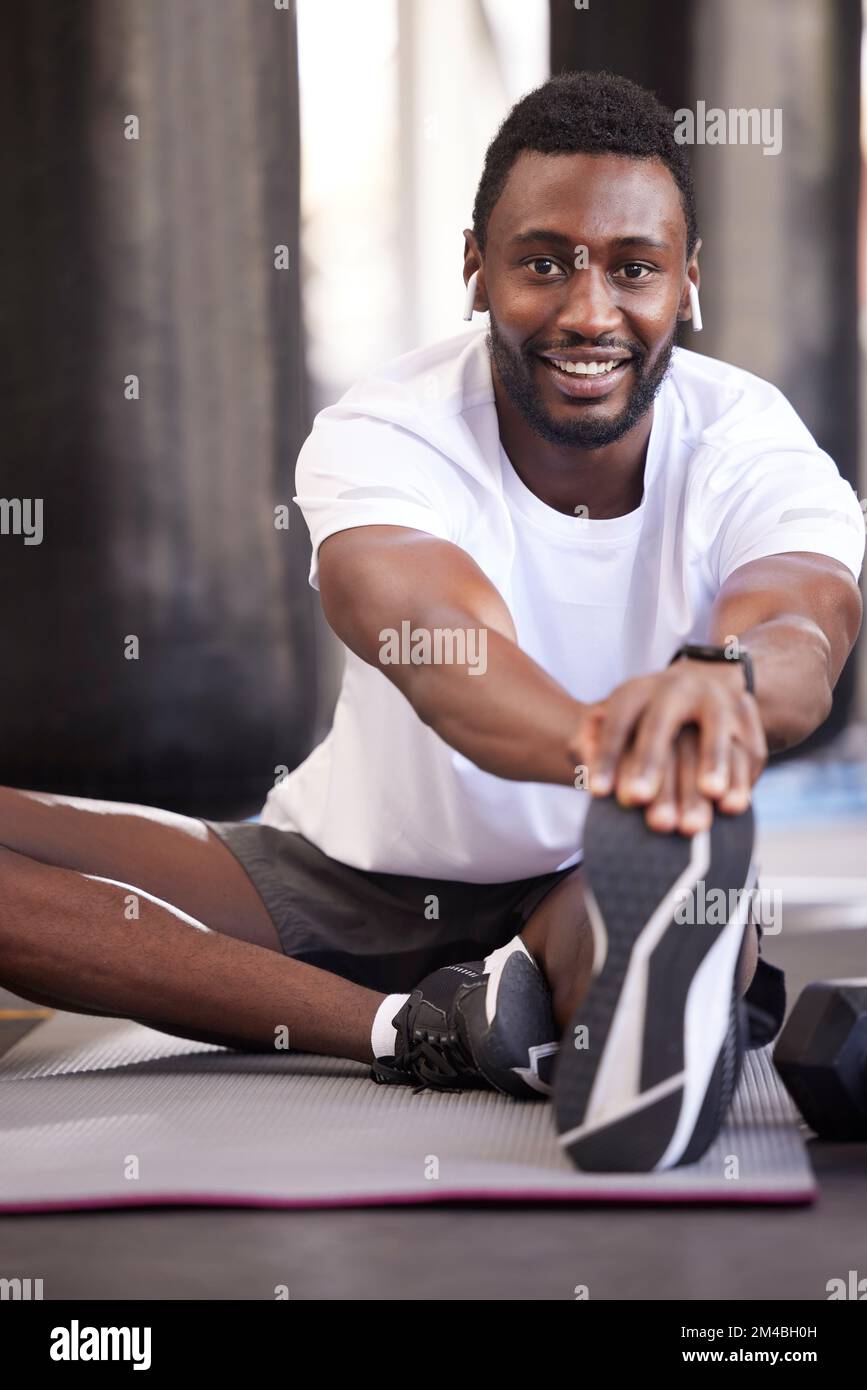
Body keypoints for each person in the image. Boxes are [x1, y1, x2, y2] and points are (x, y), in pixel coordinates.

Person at [1, 72, 862, 1172]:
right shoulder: (386, 430)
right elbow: (445, 645)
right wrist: (624, 746)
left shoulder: (750, 437)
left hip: (591, 869)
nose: (590, 312)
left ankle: (617, 989)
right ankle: (423, 1023)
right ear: (476, 267)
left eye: (634, 269)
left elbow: (803, 623)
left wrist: (723, 684)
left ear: (688, 282)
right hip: (342, 870)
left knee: (628, 908)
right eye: (543, 262)